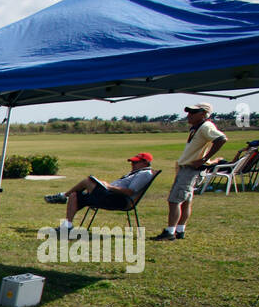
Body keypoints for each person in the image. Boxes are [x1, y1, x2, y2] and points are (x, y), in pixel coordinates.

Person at [150, 103, 228, 241]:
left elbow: (221, 139)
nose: (189, 115)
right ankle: (180, 230)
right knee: (185, 201)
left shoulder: (206, 126)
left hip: (191, 170)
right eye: (189, 112)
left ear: (203, 114)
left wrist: (204, 159)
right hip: (188, 169)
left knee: (174, 201)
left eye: (193, 112)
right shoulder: (197, 128)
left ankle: (170, 232)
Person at [43, 152, 154, 235]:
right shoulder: (137, 172)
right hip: (111, 196)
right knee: (75, 195)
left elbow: (129, 192)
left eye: (135, 162)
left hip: (119, 200)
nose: (132, 164)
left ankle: (63, 196)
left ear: (145, 162)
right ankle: (67, 226)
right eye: (132, 162)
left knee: (87, 181)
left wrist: (109, 186)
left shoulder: (144, 174)